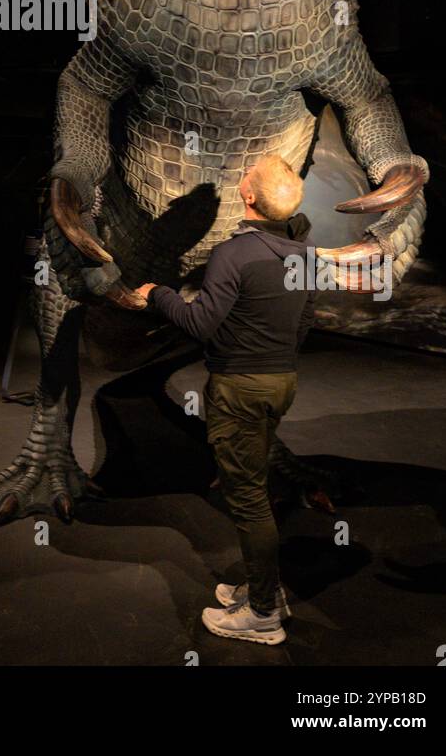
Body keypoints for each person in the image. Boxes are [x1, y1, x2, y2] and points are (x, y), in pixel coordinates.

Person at [131, 154, 315, 646]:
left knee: (249, 498)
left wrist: (159, 295)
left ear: (248, 197)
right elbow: (303, 324)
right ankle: (265, 590)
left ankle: (262, 616)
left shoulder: (232, 256)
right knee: (254, 485)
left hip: (240, 388)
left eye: (247, 177)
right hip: (280, 382)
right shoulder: (302, 254)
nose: (243, 180)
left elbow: (198, 323)